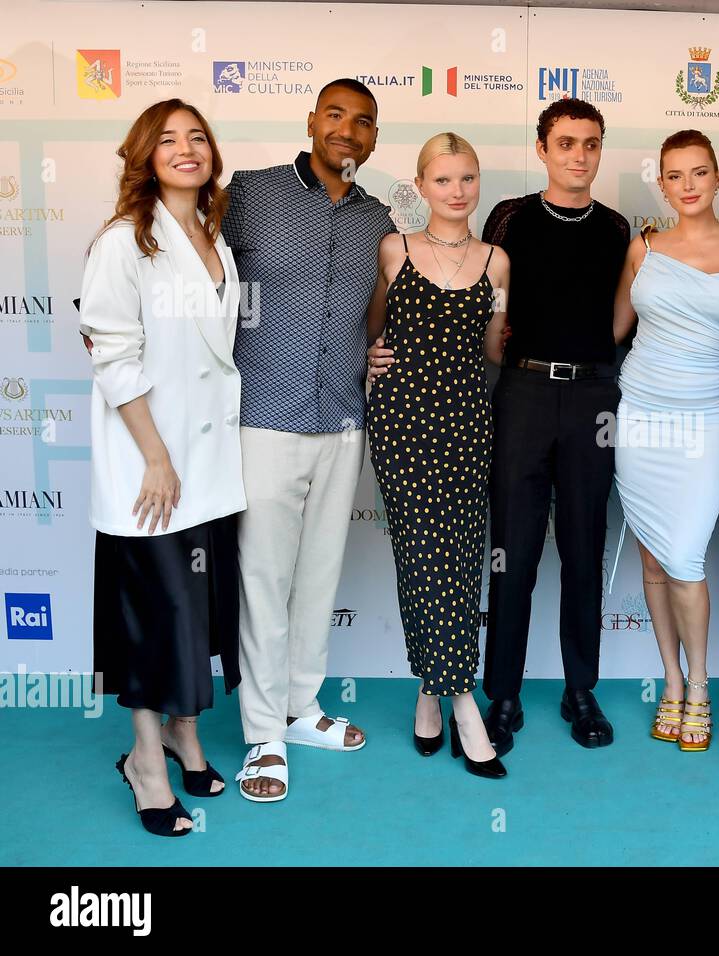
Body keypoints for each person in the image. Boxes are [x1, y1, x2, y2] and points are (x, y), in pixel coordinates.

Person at [221, 78, 396, 802]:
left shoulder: (378, 218)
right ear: (312, 121)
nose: (347, 132)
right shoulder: (249, 193)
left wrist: (379, 349)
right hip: (261, 412)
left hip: (342, 418)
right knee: (264, 581)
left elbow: (377, 313)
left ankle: (299, 709)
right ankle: (262, 736)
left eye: (362, 122)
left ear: (374, 139)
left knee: (318, 576)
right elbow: (193, 274)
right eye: (335, 116)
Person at [81, 99, 243, 835]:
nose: (186, 149)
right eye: (169, 140)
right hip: (153, 468)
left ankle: (185, 735)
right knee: (157, 616)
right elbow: (113, 357)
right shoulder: (124, 241)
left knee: (197, 616)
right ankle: (146, 760)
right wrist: (154, 456)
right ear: (145, 155)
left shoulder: (214, 236)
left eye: (197, 137)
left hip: (208, 466)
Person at [475, 99, 630, 755]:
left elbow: (623, 319)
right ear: (542, 148)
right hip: (523, 391)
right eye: (566, 143)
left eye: (591, 144)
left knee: (583, 550)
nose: (579, 155)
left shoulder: (618, 228)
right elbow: (484, 309)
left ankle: (580, 690)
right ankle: (503, 694)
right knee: (512, 550)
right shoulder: (509, 218)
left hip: (594, 394)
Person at [364, 132, 509, 778]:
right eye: (443, 179)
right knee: (421, 559)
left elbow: (494, 351)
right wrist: (371, 357)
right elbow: (372, 328)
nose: (457, 191)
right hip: (402, 422)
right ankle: (463, 702)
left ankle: (428, 688)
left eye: (468, 178)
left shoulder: (498, 261)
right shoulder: (393, 249)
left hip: (467, 421)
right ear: (420, 187)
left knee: (459, 559)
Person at [610, 130, 719, 752]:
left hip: (704, 420)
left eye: (700, 172)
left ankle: (700, 685)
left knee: (687, 558)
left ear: (718, 178)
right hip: (641, 413)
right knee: (651, 559)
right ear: (662, 184)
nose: (688, 184)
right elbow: (614, 328)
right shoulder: (642, 248)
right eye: (675, 175)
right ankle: (670, 681)